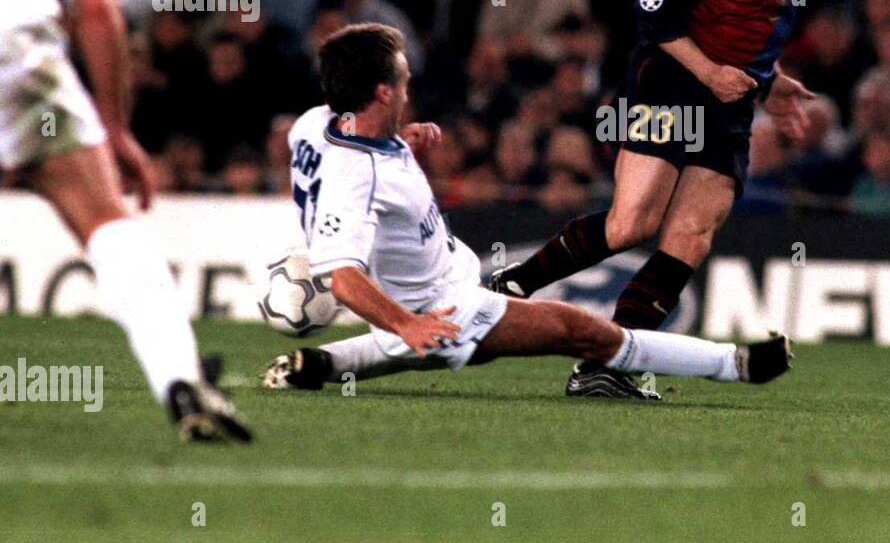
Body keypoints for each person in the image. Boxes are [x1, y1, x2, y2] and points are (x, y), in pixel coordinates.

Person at [486, 0, 847, 399]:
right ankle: (513, 285)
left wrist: (773, 80)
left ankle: (609, 363)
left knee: (694, 232)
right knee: (633, 224)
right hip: (671, 80)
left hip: (732, 98)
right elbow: (651, 14)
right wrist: (711, 71)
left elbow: (755, 25)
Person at [262, 24, 791, 395]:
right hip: (444, 308)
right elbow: (341, 275)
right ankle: (735, 365)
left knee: (440, 346)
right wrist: (406, 324)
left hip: (447, 285)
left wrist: (402, 137)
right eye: (401, 81)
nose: (408, 87)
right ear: (381, 92)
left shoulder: (318, 123)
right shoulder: (358, 177)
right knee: (581, 331)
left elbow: (355, 155)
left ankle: (324, 365)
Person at [0, 0, 249, 441]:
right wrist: (115, 127)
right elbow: (101, 8)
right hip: (18, 60)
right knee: (107, 223)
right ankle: (180, 379)